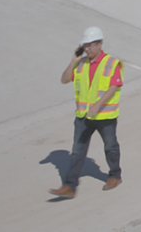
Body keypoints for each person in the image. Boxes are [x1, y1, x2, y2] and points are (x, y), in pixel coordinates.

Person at [49, 26, 124, 199]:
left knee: (110, 147)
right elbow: (64, 80)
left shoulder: (112, 63)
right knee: (77, 151)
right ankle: (70, 185)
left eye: (90, 45)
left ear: (99, 44)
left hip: (105, 116)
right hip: (83, 116)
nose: (87, 49)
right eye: (85, 46)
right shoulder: (80, 64)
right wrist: (73, 61)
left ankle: (115, 175)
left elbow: (113, 87)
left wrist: (97, 105)